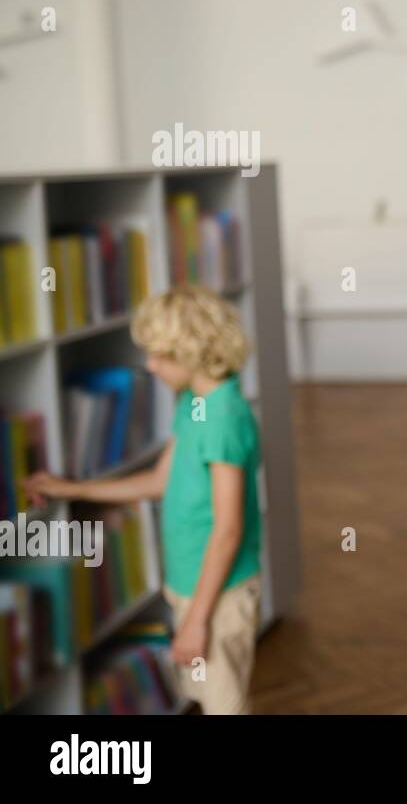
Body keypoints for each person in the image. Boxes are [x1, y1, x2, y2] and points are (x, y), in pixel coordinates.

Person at [25, 283, 263, 714]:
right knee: (208, 698)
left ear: (191, 351)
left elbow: (228, 530)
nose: (150, 367)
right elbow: (159, 481)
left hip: (218, 597)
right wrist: (73, 489)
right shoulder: (196, 403)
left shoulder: (223, 419)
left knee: (226, 707)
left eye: (160, 355)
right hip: (192, 587)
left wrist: (197, 620)